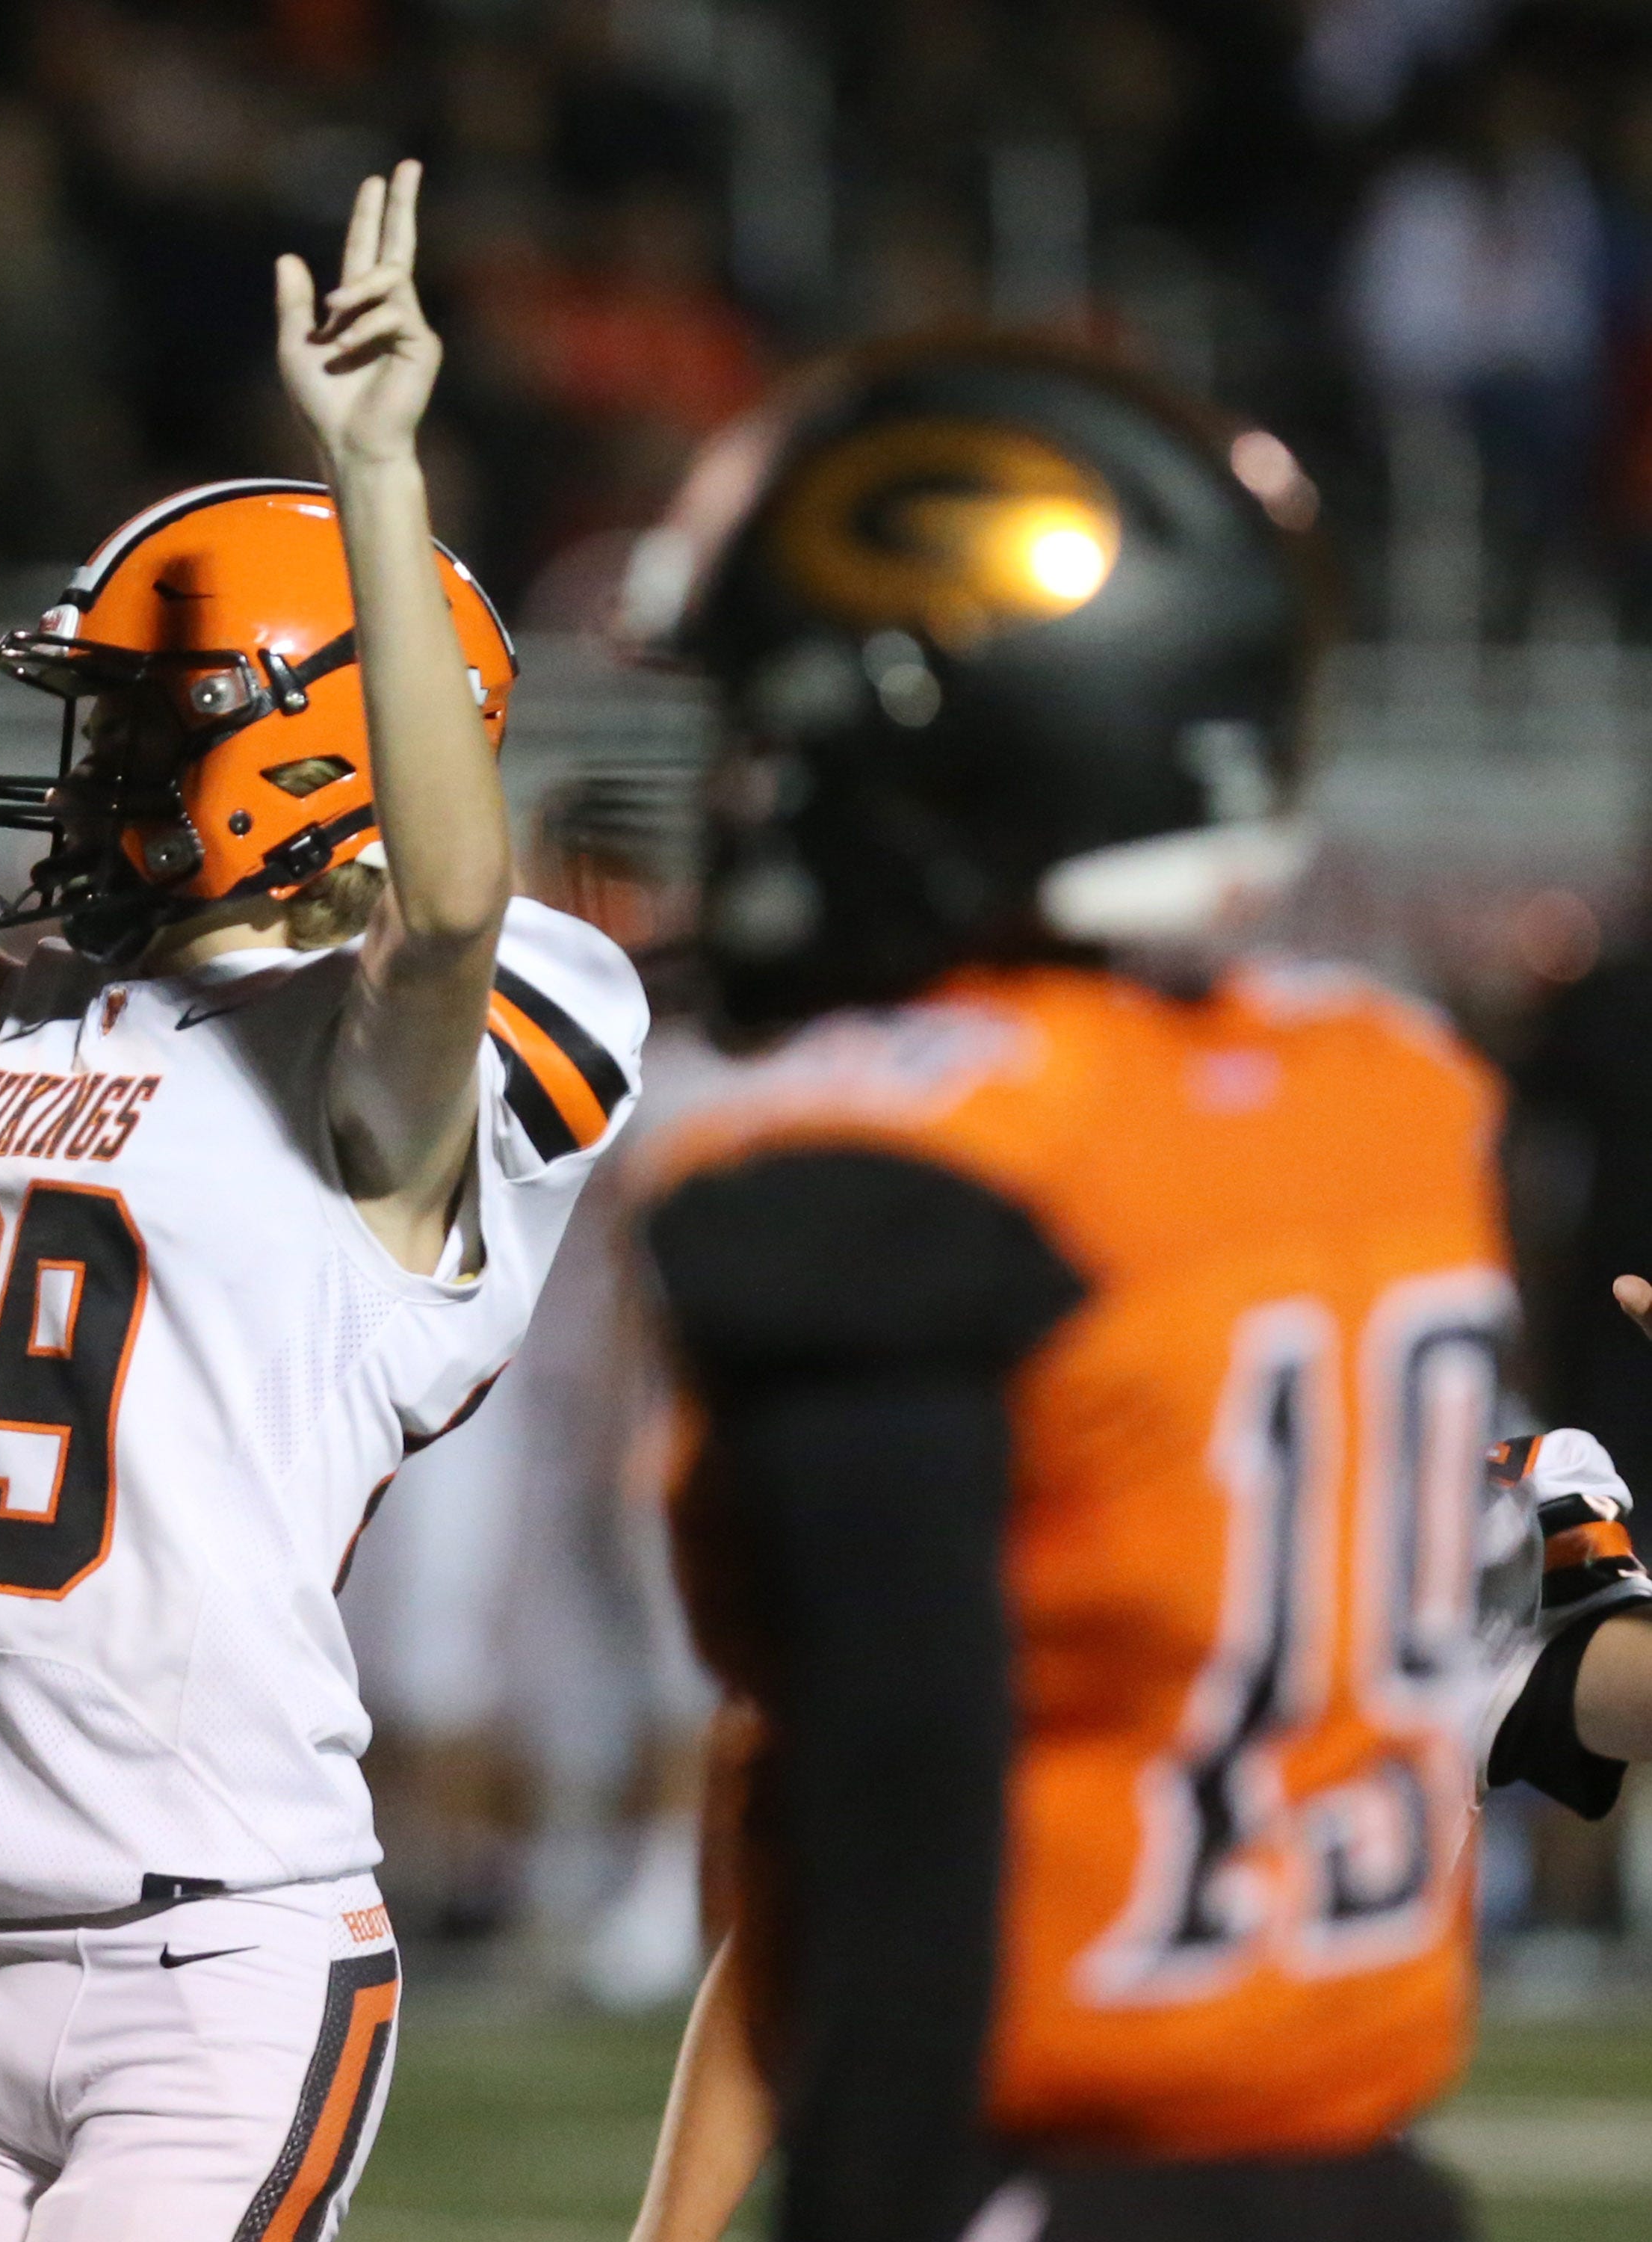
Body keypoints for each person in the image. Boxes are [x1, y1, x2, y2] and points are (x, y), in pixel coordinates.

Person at [0, 107, 645, 2240]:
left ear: (310, 746)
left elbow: (448, 911)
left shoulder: (378, 1082)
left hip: (211, 1955)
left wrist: (378, 475)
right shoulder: (63, 1016)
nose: (86, 773)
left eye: (138, 726)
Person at [607, 339, 1652, 2242]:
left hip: (1036, 2172)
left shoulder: (894, 1176)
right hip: (1365, 2174)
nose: (757, 792)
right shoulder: (1389, 1099)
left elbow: (895, 1830)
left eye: (789, 727)